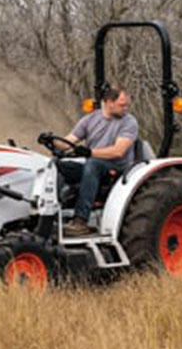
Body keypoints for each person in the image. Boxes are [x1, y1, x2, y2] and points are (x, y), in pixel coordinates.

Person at [55, 85, 139, 236]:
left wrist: (89, 152)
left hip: (117, 170)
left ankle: (80, 221)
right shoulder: (90, 119)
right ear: (108, 102)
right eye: (122, 105)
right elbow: (69, 141)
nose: (125, 108)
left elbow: (118, 151)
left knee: (92, 165)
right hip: (93, 166)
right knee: (57, 166)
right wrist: (53, 141)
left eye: (127, 105)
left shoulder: (129, 122)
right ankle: (52, 214)